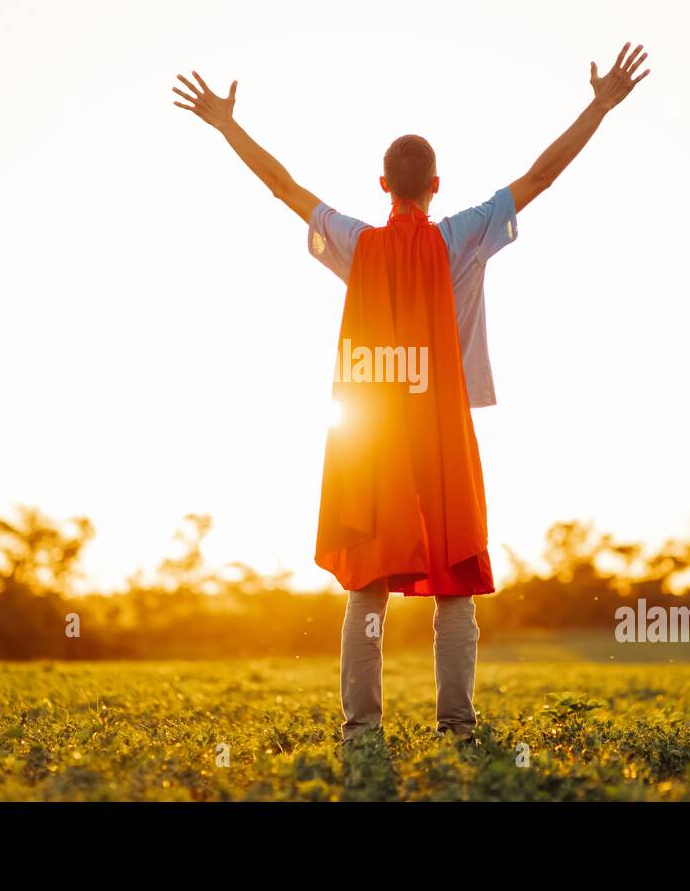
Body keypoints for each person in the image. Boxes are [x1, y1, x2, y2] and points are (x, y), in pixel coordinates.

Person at [173, 42, 650, 743]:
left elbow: (282, 185)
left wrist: (225, 124)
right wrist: (600, 106)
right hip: (440, 429)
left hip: (368, 432)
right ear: (436, 184)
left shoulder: (355, 243)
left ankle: (361, 732)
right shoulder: (464, 236)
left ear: (382, 185)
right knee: (455, 578)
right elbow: (542, 175)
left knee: (368, 582)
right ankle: (457, 728)